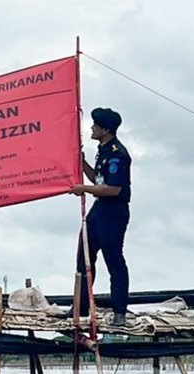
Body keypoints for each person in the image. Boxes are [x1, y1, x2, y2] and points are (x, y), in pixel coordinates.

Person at [70, 107, 131, 327]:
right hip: (99, 208)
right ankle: (81, 305)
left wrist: (83, 188)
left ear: (105, 129)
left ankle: (120, 311)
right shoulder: (102, 150)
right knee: (84, 256)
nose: (92, 128)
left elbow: (113, 188)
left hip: (113, 211)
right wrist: (82, 163)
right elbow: (98, 179)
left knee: (113, 260)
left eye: (95, 125)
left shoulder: (117, 153)